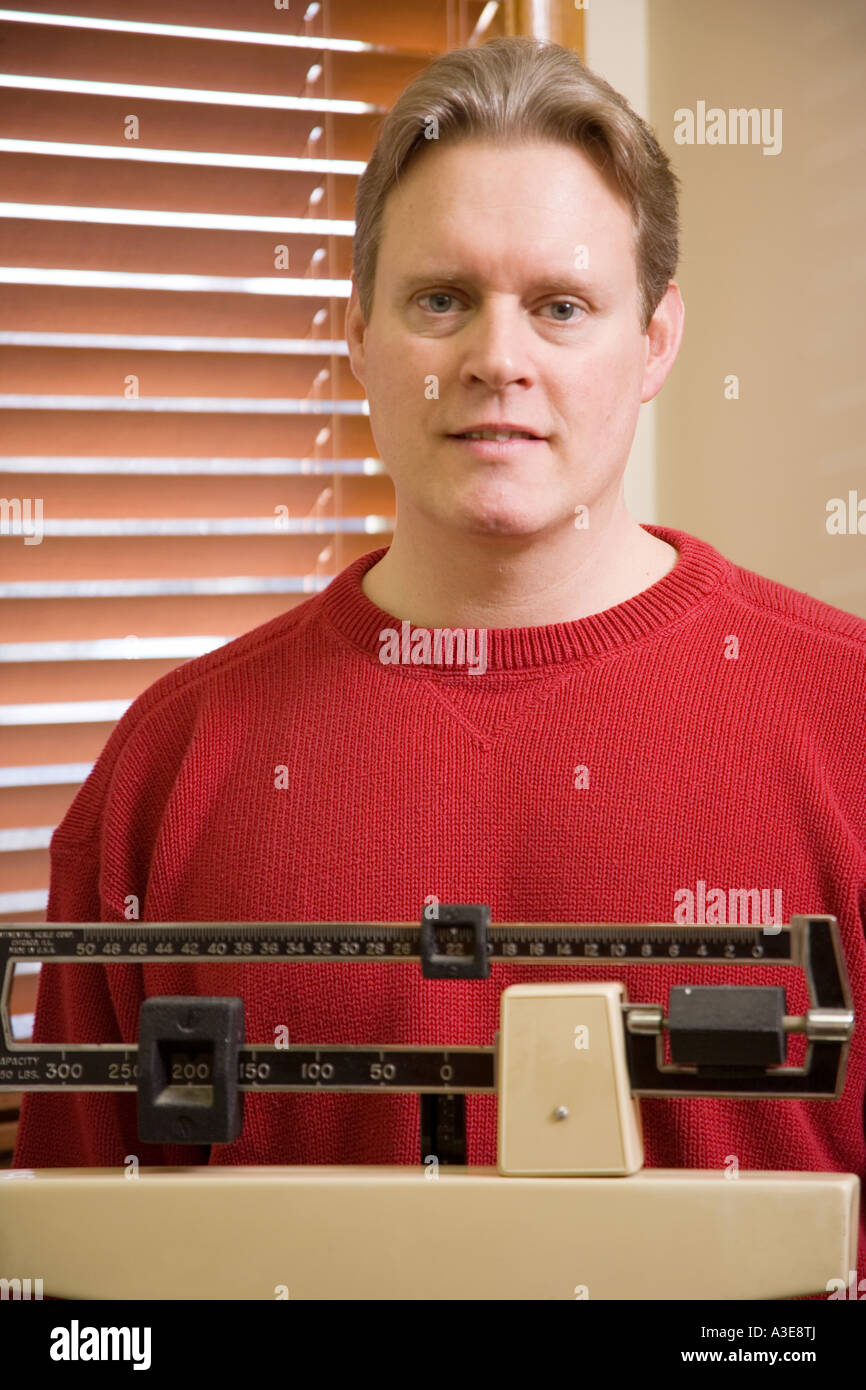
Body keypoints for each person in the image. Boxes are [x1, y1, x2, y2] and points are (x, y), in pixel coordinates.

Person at [14, 36, 866, 1284]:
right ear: (356, 334)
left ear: (657, 341)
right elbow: (77, 1293)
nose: (496, 360)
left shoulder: (845, 715)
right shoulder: (166, 764)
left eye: (560, 306)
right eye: (439, 300)